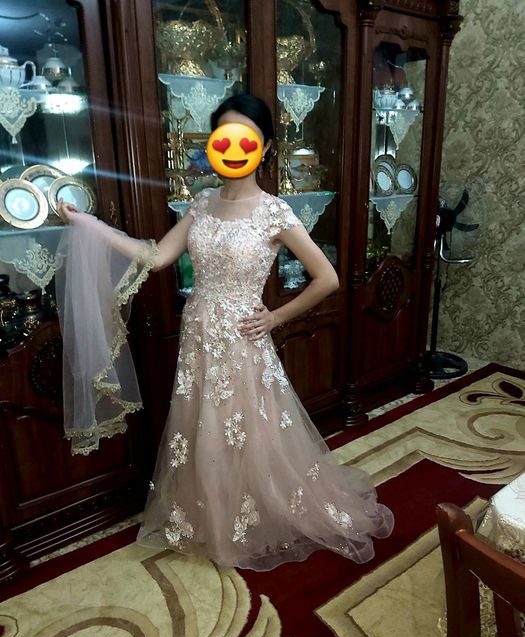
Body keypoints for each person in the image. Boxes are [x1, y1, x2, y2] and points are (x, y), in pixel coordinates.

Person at [57, 94, 393, 571]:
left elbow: (328, 278)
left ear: (266, 147)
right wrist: (88, 224)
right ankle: (215, 519)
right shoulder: (202, 202)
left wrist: (275, 317)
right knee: (204, 428)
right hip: (198, 332)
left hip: (241, 337)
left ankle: (255, 517)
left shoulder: (274, 211)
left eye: (246, 138)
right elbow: (156, 257)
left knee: (246, 428)